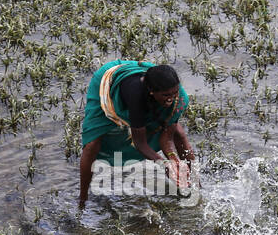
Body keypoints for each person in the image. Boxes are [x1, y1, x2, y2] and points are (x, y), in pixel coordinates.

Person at [78, 60, 195, 210]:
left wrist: (173, 158)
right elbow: (140, 143)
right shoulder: (136, 96)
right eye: (166, 95)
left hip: (148, 90)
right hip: (108, 85)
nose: (172, 98)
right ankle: (82, 200)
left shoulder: (177, 97)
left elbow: (167, 137)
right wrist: (163, 163)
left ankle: (194, 185)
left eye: (175, 92)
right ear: (151, 91)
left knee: (178, 132)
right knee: (92, 143)